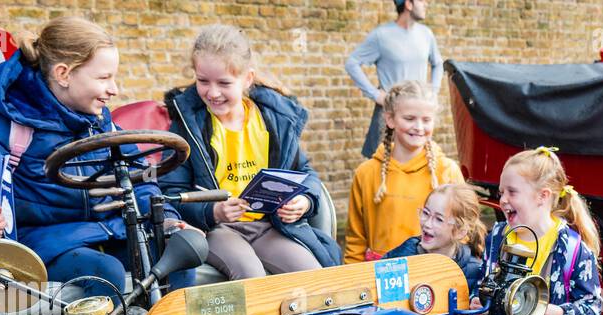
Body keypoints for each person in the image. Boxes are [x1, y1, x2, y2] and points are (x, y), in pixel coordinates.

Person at [0, 16, 188, 290]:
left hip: (109, 231)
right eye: (104, 78)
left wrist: (167, 220)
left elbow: (139, 179)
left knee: (181, 254)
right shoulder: (10, 125)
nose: (114, 90)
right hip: (44, 241)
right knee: (104, 272)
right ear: (63, 74)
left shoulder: (102, 124)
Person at [161, 25, 340, 280]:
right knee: (250, 274)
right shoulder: (187, 125)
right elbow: (170, 193)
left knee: (311, 274)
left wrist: (304, 201)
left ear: (247, 79)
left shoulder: (273, 120)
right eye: (202, 81)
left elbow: (305, 173)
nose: (212, 92)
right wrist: (213, 212)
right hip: (217, 229)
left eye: (224, 83)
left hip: (269, 226)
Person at [477, 147, 603, 315]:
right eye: (501, 192)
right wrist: (480, 303)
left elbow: (593, 309)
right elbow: (483, 283)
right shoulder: (498, 237)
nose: (502, 200)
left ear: (542, 196)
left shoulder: (571, 248)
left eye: (512, 192)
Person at [344, 80, 462, 263]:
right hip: (381, 275)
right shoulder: (366, 173)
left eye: (426, 120)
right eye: (409, 118)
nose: (419, 127)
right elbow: (355, 240)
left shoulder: (447, 171)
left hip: (431, 273)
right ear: (390, 119)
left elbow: (464, 232)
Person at [345, 0, 442, 158]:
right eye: (421, 1)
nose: (426, 4)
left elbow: (438, 64)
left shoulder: (426, 34)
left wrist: (433, 94)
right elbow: (352, 63)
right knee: (381, 166)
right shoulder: (381, 35)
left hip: (417, 114)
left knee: (419, 164)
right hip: (391, 112)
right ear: (408, 4)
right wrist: (375, 95)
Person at [384, 182, 486, 295]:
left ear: (460, 231)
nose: (427, 223)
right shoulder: (401, 258)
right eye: (426, 213)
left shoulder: (473, 271)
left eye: (439, 219)